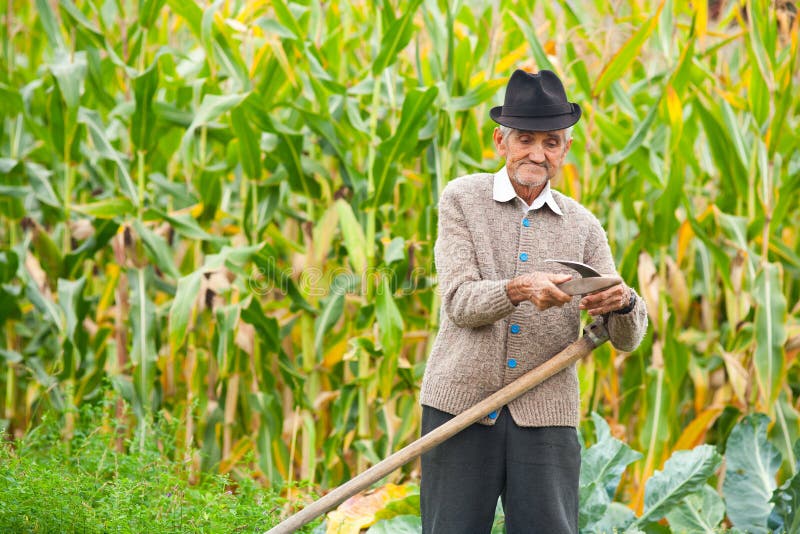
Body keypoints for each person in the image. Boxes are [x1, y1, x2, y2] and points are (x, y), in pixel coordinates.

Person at [419, 69, 648, 534]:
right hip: (460, 409)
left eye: (551, 142)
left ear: (565, 149)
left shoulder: (584, 225)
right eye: (525, 139)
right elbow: (460, 302)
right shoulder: (462, 199)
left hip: (545, 418)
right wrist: (521, 288)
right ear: (500, 141)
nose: (537, 154)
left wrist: (622, 302)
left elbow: (625, 338)